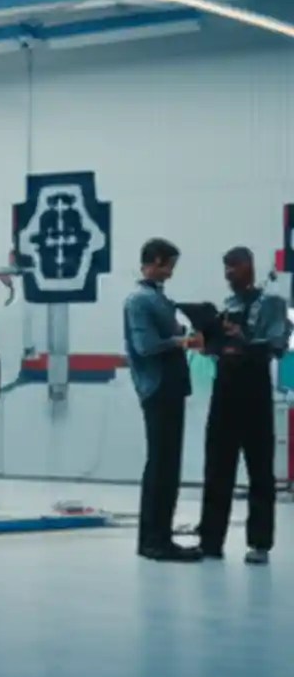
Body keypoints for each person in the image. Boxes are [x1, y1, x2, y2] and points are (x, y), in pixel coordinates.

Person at [197, 247, 290, 565]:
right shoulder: (227, 306)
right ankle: (210, 540)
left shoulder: (273, 304)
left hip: (255, 391)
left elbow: (278, 345)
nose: (228, 275)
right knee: (217, 467)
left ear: (249, 266)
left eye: (233, 268)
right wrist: (211, 342)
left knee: (260, 469)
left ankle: (260, 543)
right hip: (224, 389)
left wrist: (244, 338)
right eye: (225, 269)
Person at [124, 238, 204, 562]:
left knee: (167, 466)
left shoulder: (157, 299)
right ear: (156, 261)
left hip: (168, 387)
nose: (171, 272)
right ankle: (155, 541)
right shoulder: (140, 301)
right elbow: (145, 345)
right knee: (161, 466)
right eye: (169, 264)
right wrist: (183, 340)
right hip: (158, 389)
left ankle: (158, 537)